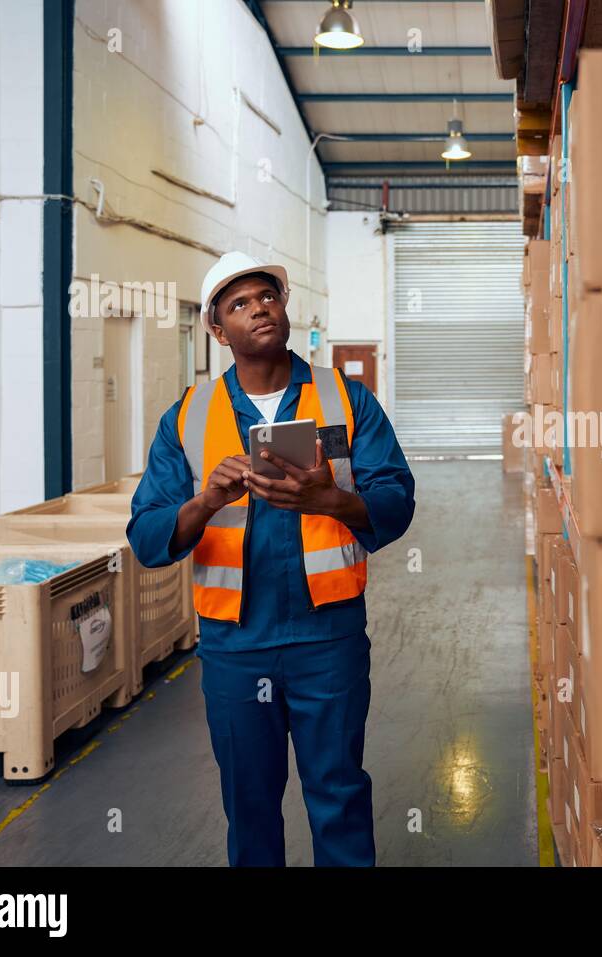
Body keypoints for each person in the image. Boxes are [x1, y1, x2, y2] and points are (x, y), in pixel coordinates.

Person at [127, 251, 415, 866]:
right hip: (236, 646)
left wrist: (331, 498)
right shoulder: (188, 417)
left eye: (267, 296)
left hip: (327, 640)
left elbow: (395, 497)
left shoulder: (344, 399)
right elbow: (148, 534)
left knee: (337, 794)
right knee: (250, 802)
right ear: (215, 329)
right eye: (239, 303)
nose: (259, 307)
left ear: (283, 307)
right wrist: (205, 502)